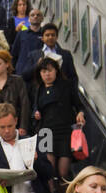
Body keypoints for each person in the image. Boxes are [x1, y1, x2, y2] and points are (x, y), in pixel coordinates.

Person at [30, 56, 85, 184]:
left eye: (50, 70)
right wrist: (36, 114)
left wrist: (81, 114)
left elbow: (79, 105)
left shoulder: (66, 86)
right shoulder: (38, 89)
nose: (47, 74)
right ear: (40, 74)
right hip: (45, 131)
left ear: (56, 71)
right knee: (48, 170)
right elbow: (35, 110)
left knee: (63, 172)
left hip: (65, 131)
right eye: (43, 71)